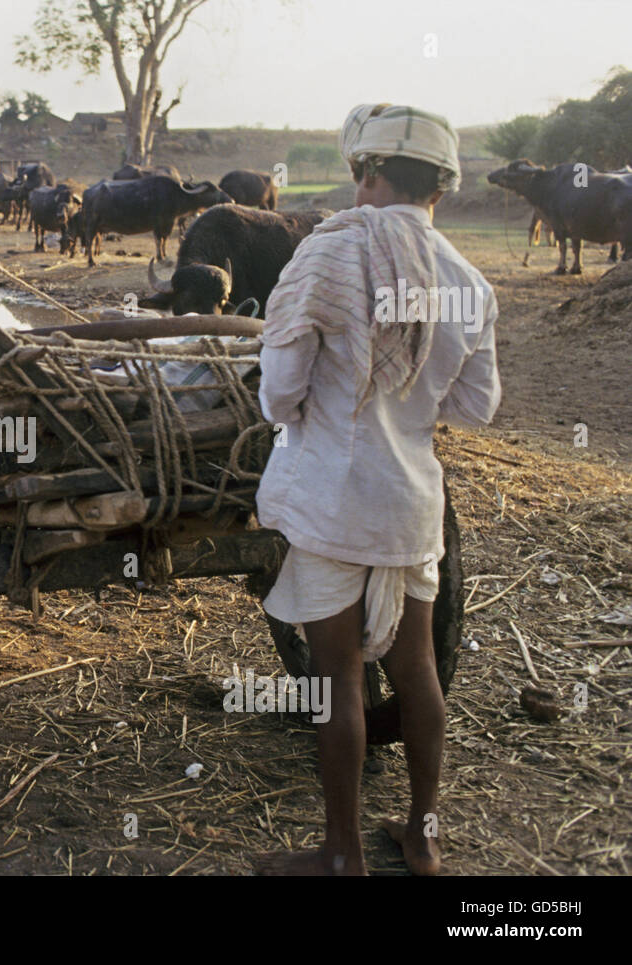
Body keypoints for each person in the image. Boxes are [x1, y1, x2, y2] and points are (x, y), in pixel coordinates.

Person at [253, 104, 501, 876]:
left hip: (330, 501)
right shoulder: (468, 281)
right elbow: (476, 407)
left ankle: (341, 854)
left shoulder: (325, 258)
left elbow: (278, 392)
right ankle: (422, 841)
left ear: (366, 172)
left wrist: (322, 409)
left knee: (338, 681)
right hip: (412, 508)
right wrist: (409, 404)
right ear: (444, 187)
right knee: (418, 670)